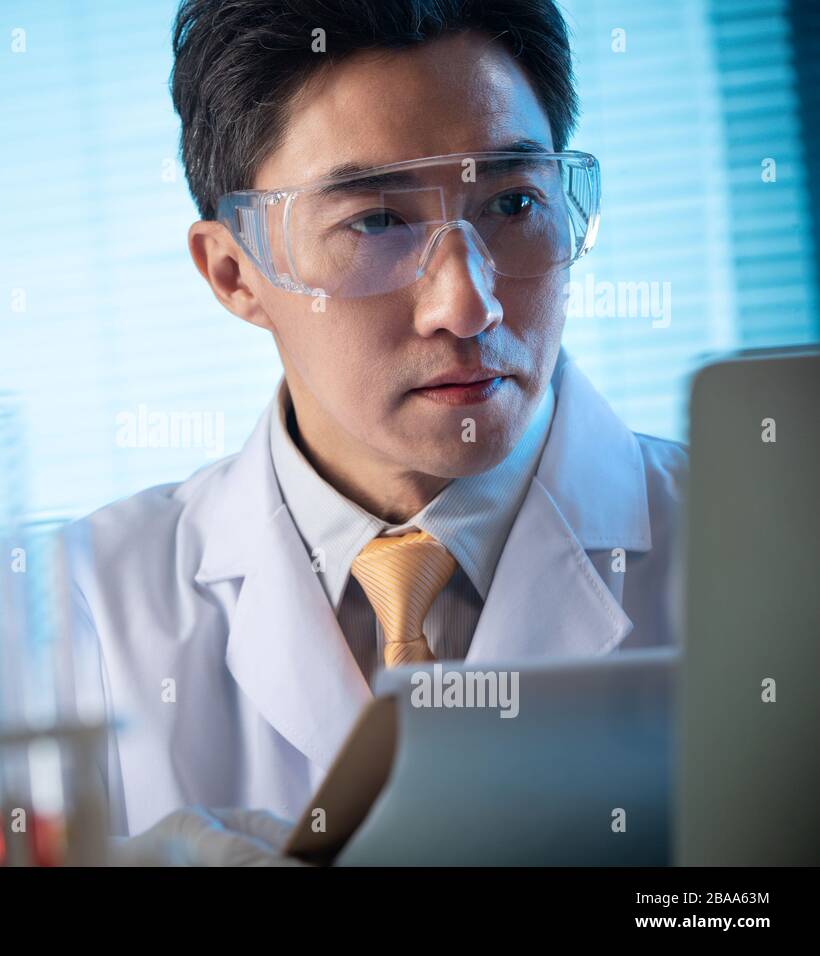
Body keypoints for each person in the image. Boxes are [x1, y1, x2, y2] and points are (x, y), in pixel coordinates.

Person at [66, 0, 686, 856]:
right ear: (234, 273)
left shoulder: (770, 551)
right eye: (376, 222)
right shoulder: (81, 614)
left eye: (512, 202)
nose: (466, 303)